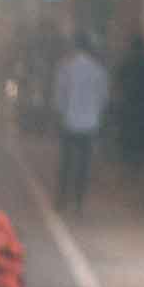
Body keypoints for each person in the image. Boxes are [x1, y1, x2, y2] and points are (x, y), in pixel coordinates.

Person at [52, 36, 111, 210]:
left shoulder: (65, 68)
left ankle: (62, 199)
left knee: (66, 162)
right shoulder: (99, 70)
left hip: (69, 121)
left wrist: (59, 115)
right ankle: (79, 201)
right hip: (90, 123)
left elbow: (59, 95)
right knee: (84, 164)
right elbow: (103, 98)